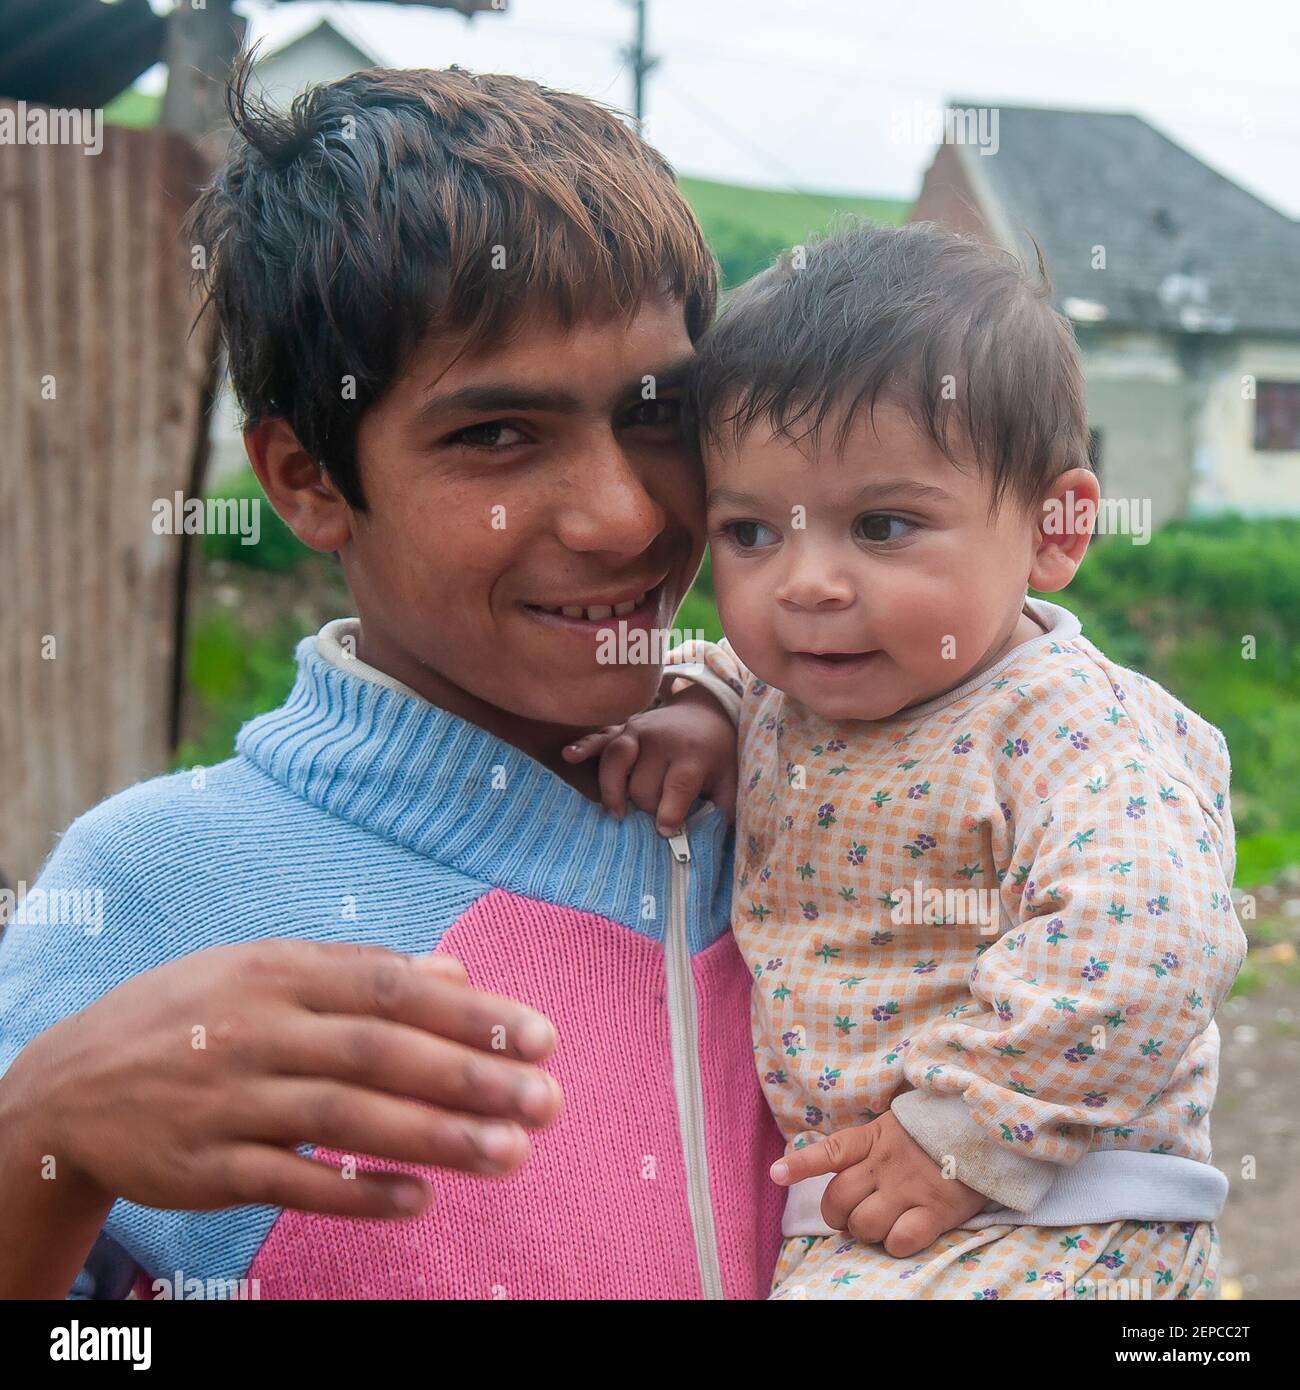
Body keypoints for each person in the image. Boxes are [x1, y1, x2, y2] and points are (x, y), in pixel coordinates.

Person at [0, 63, 784, 1300]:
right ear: (308, 478)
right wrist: (37, 1145)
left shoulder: (816, 800)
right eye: (496, 436)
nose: (623, 516)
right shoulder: (154, 893)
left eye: (657, 413)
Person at [571, 222, 1247, 1299]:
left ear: (1054, 529)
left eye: (880, 525)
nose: (808, 584)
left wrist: (964, 1130)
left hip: (1054, 1209)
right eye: (750, 533)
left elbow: (1146, 942)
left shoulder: (1066, 726)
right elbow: (742, 675)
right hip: (877, 1221)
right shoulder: (799, 690)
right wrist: (702, 700)